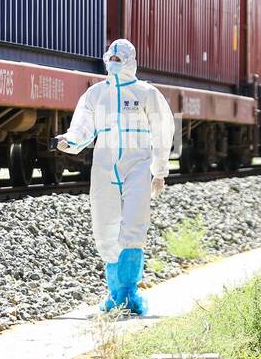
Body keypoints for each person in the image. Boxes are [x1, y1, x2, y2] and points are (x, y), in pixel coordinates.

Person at [55, 39, 174, 315]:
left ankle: (128, 293)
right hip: (105, 166)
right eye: (111, 57)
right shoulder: (96, 95)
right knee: (105, 228)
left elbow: (163, 130)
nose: (113, 62)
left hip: (138, 166)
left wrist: (159, 171)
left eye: (119, 58)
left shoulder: (147, 93)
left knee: (133, 226)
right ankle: (116, 293)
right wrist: (69, 141)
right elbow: (82, 127)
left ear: (130, 61)